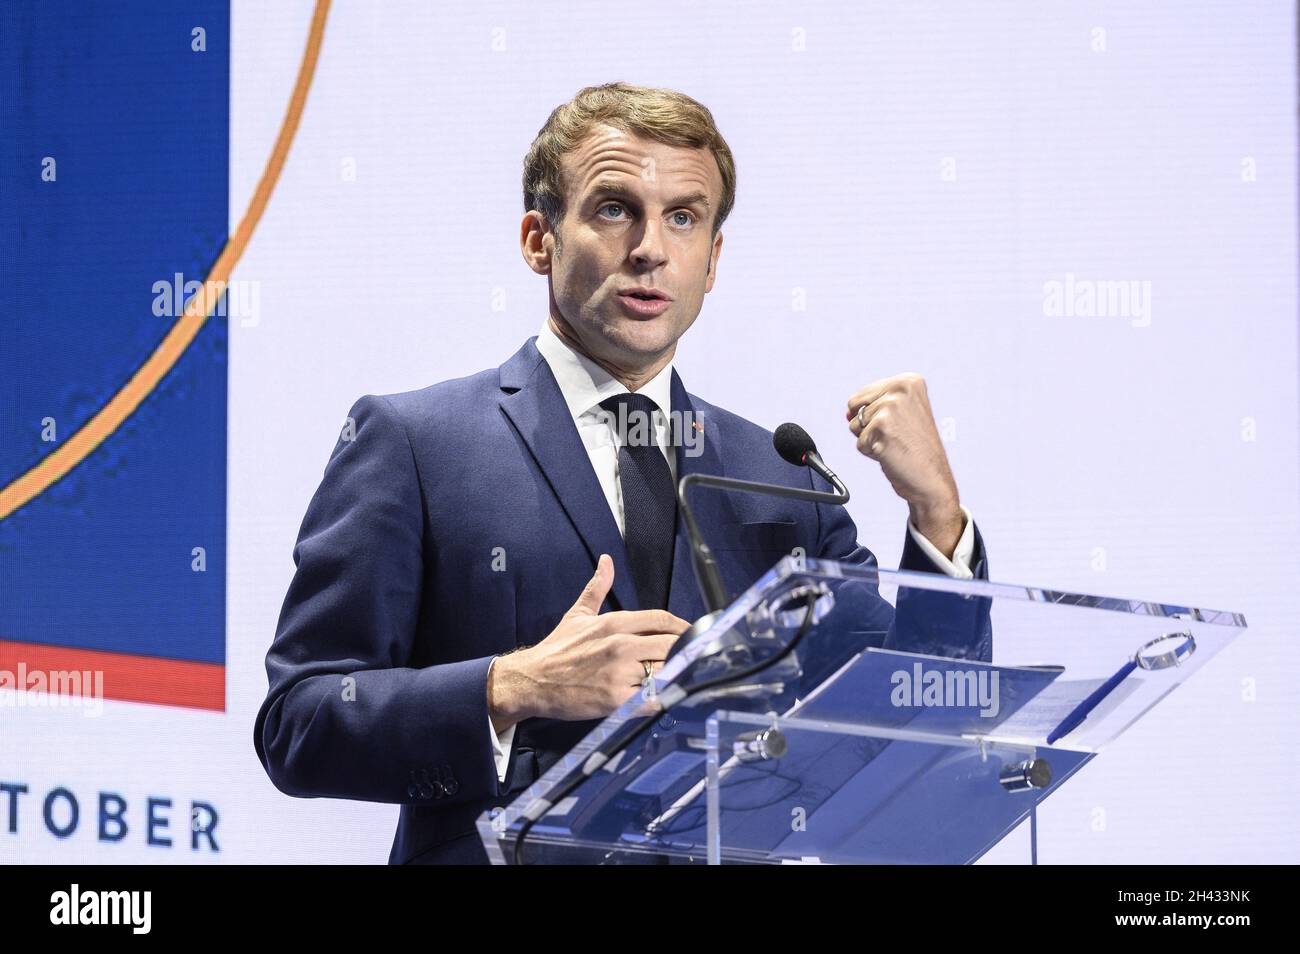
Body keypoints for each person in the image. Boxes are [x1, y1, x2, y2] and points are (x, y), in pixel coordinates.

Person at [254, 82, 989, 865]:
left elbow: (920, 723)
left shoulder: (786, 477)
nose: (650, 249)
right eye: (614, 210)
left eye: (684, 217)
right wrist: (510, 688)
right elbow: (299, 724)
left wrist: (937, 516)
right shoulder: (416, 444)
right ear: (539, 240)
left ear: (713, 260)